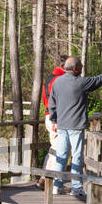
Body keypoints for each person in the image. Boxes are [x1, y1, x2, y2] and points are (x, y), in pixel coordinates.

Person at [48, 56, 102, 198]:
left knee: (61, 156)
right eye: (81, 67)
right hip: (76, 125)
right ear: (75, 68)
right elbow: (99, 80)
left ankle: (56, 186)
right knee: (76, 156)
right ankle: (76, 188)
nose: (82, 69)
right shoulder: (81, 83)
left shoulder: (57, 82)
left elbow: (52, 103)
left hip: (62, 125)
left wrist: (54, 120)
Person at [40, 58, 69, 188]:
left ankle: (44, 178)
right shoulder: (59, 80)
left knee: (55, 148)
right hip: (56, 118)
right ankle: (50, 182)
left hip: (50, 116)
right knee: (59, 150)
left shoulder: (49, 78)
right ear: (63, 65)